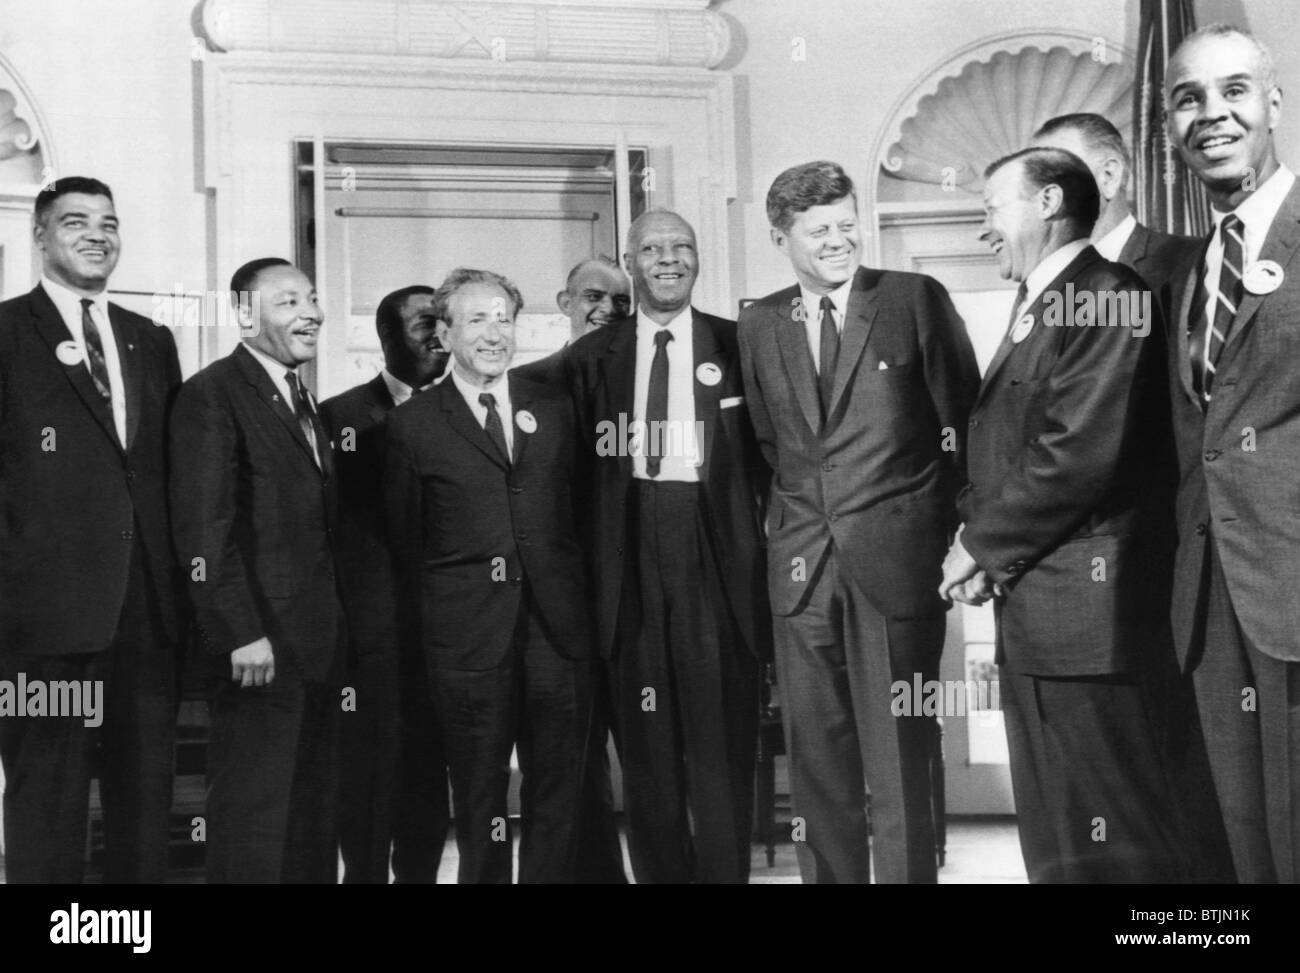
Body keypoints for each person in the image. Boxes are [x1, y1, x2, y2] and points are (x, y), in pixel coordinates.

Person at [941, 146, 1181, 882]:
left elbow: (1076, 452)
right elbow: (1011, 447)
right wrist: (984, 544)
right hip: (1043, 615)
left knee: (1114, 835)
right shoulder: (1043, 301)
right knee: (1060, 834)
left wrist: (979, 545)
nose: (984, 228)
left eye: (992, 208)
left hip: (1089, 624)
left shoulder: (1108, 293)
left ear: (1047, 203)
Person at [738, 161, 979, 884]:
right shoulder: (759, 322)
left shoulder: (912, 299)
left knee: (900, 757)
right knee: (818, 767)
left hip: (896, 568)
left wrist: (953, 535)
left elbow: (964, 427)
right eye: (819, 231)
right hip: (802, 573)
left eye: (847, 225)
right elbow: (770, 445)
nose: (838, 241)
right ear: (780, 237)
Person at [1032, 111, 1234, 883]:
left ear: (1112, 175)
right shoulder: (1051, 286)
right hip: (1077, 593)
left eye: (1062, 176)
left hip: (1181, 569)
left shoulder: (1187, 264)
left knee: (1191, 790)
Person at [566, 210, 770, 884]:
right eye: (652, 249)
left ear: (698, 258)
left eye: (682, 246)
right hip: (626, 558)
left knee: (720, 746)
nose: (669, 259)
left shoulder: (740, 345)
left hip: (715, 554)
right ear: (630, 264)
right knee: (646, 751)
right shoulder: (590, 358)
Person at [0, 176, 183, 883]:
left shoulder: (150, 339)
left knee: (143, 805)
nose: (97, 234)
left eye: (108, 222)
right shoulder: (7, 332)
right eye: (75, 221)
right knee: (48, 803)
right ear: (40, 235)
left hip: (145, 619)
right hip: (40, 628)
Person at [384, 267, 593, 883]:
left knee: (559, 789)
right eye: (477, 319)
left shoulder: (556, 410)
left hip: (556, 635)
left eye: (504, 318)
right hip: (467, 641)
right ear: (445, 334)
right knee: (480, 794)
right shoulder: (412, 425)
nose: (494, 333)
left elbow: (583, 515)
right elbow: (404, 542)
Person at [1164, 24, 1300, 883]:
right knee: (1251, 852)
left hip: (1293, 591)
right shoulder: (1194, 268)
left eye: (1234, 91)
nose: (1211, 114)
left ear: (1274, 104)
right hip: (1214, 604)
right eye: (1189, 99)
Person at [169, 257, 345, 883]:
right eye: (289, 302)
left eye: (313, 299)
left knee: (310, 818)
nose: (312, 314)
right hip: (259, 648)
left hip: (316, 646)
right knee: (253, 816)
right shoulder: (212, 394)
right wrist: (240, 631)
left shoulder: (302, 398)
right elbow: (203, 529)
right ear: (245, 315)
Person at [320, 285, 450, 883]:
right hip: (368, 637)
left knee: (429, 776)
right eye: (424, 323)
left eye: (443, 321)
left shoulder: (464, 410)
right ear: (386, 337)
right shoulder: (338, 417)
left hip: (446, 633)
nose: (438, 334)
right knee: (367, 775)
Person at [1032, 112, 1200, 298]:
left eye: (1053, 178)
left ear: (1109, 176)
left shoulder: (1193, 261)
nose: (1042, 199)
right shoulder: (1042, 280)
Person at [514, 257, 631, 386]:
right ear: (567, 304)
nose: (609, 309)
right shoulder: (529, 381)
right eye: (593, 297)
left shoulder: (642, 377)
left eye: (621, 300)